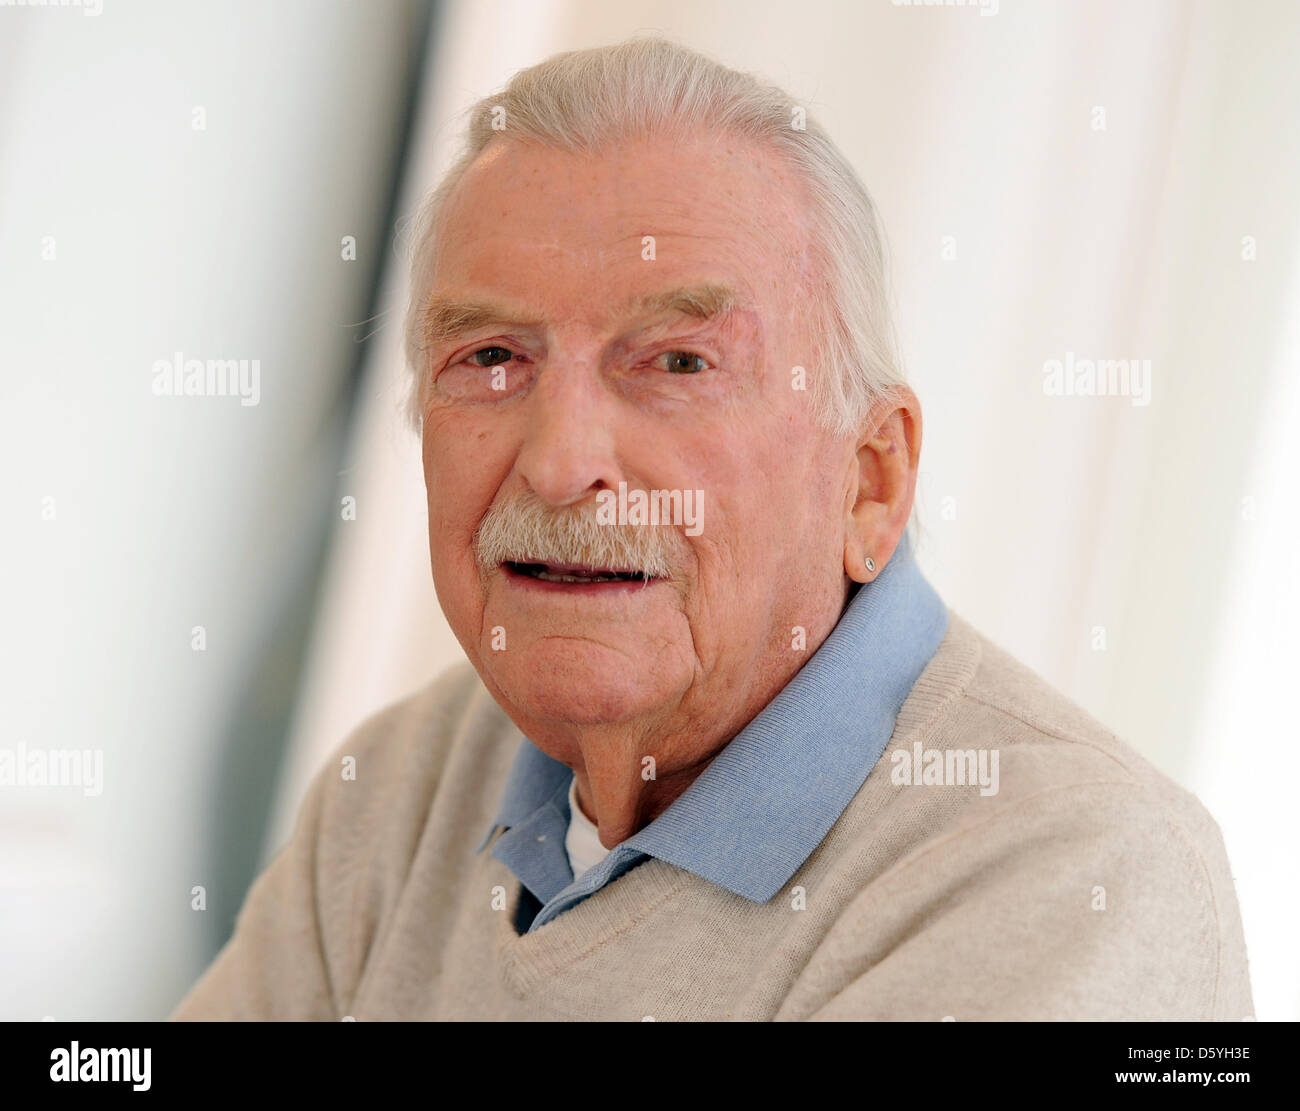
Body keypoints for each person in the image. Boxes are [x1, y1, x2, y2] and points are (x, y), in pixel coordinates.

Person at [172, 37, 1251, 1021]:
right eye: (491, 358)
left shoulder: (1075, 875)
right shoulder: (404, 781)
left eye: (678, 364)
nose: (557, 462)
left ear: (869, 483)